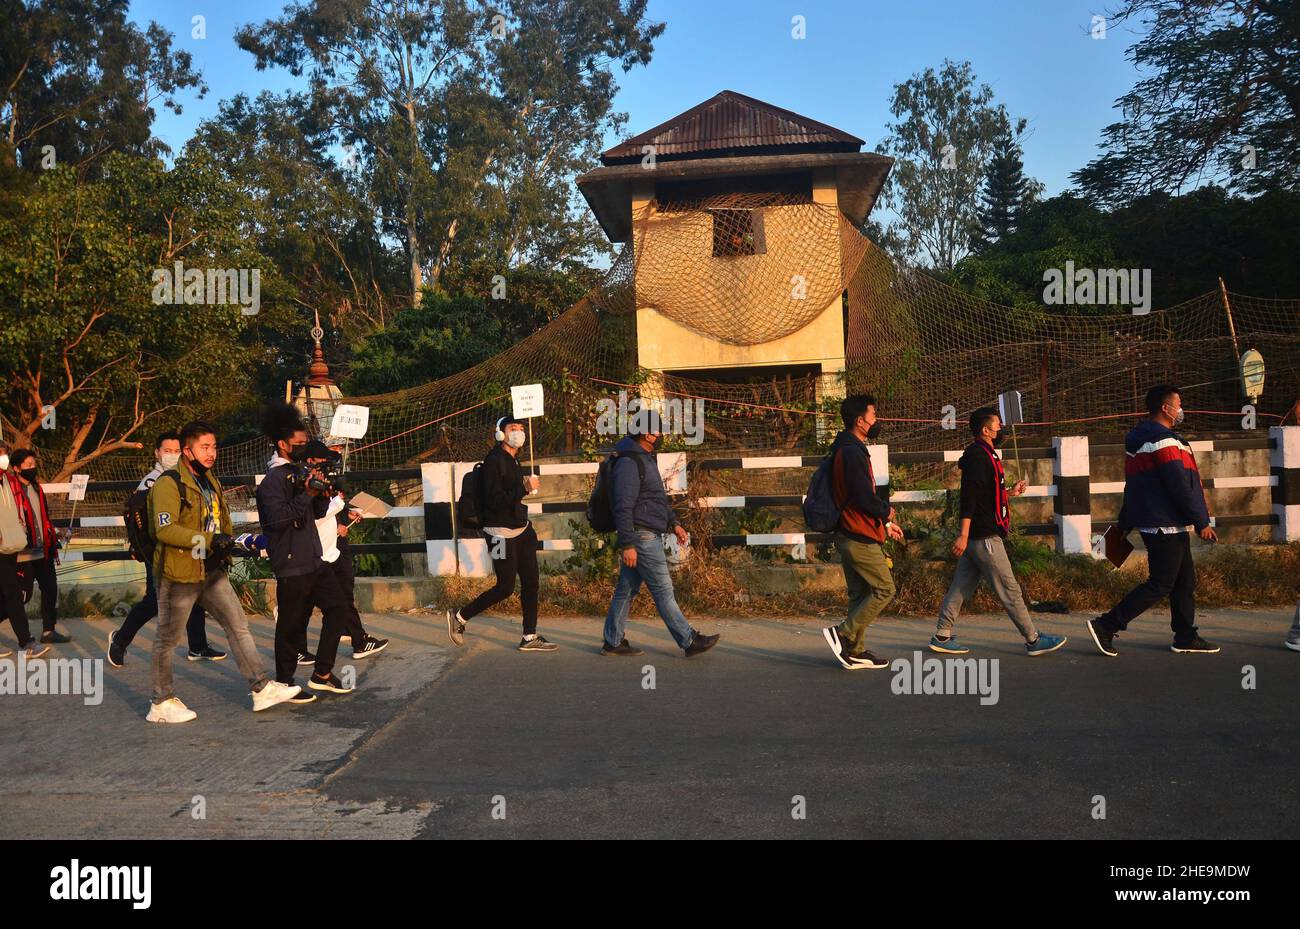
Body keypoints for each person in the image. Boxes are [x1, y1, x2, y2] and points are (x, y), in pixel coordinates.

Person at [146, 421, 301, 722]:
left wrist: (231, 544)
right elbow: (165, 529)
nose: (212, 453)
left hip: (211, 568)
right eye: (205, 447)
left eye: (214, 446)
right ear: (187, 450)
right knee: (168, 638)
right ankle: (160, 702)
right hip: (179, 573)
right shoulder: (168, 483)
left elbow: (218, 521)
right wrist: (209, 540)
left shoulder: (209, 480)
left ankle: (261, 688)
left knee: (238, 625)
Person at [1087, 384, 1220, 657]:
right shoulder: (1164, 441)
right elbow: (1181, 485)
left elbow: (1135, 486)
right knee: (1161, 583)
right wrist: (1201, 521)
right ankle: (1106, 625)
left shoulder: (1142, 440)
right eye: (1178, 403)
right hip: (1165, 523)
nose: (1181, 409)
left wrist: (1125, 522)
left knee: (1184, 581)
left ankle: (1185, 635)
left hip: (1163, 522)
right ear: (1165, 407)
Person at [930, 408, 1067, 656]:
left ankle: (942, 635)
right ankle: (1033, 640)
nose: (1000, 429)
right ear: (985, 430)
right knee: (1010, 589)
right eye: (997, 425)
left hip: (977, 536)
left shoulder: (984, 455)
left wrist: (1011, 493)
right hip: (983, 537)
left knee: (960, 587)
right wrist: (963, 533)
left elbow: (986, 495)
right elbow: (970, 498)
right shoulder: (980, 458)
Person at [600, 412, 719, 657]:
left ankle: (612, 641)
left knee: (626, 589)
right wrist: (628, 544)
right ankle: (689, 640)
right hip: (641, 537)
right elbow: (623, 506)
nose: (662, 435)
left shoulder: (644, 458)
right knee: (664, 591)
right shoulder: (629, 463)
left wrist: (673, 524)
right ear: (647, 434)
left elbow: (656, 499)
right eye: (659, 431)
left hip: (646, 533)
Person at [256, 403, 356, 696]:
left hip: (315, 558)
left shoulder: (301, 472)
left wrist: (323, 493)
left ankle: (322, 672)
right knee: (290, 625)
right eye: (297, 445)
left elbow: (316, 511)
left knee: (339, 610)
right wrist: (307, 494)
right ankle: (285, 683)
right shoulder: (273, 480)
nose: (302, 449)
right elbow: (277, 519)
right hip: (290, 560)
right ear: (282, 445)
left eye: (304, 444)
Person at [108, 432, 224, 667]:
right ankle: (119, 641)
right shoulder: (152, 482)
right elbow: (141, 523)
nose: (172, 456)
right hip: (159, 552)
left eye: (176, 451)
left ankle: (198, 646)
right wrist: (143, 551)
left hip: (185, 546)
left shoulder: (186, 478)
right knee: (154, 600)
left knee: (196, 592)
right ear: (157, 454)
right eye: (167, 451)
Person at [446, 417, 556, 652]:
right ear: (500, 434)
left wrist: (523, 489)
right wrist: (523, 488)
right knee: (505, 587)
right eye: (512, 429)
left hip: (522, 530)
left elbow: (512, 498)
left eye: (521, 428)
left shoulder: (515, 460)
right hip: (499, 534)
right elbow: (495, 502)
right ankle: (460, 617)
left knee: (531, 582)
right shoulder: (494, 461)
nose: (518, 432)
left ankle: (529, 636)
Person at [821, 394, 903, 670]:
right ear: (860, 421)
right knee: (884, 589)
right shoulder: (853, 452)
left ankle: (856, 650)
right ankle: (842, 633)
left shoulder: (844, 447)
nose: (876, 419)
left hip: (849, 532)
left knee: (859, 594)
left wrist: (886, 524)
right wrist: (886, 513)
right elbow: (862, 497)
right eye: (873, 415)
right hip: (859, 535)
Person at [295, 440, 388, 660]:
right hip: (317, 552)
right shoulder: (306, 483)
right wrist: (337, 513)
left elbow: (327, 510)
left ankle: (354, 641)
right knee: (317, 604)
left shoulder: (323, 480)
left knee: (338, 600)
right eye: (324, 460)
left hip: (330, 549)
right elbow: (311, 516)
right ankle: (311, 659)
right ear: (310, 461)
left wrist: (344, 514)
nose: (328, 464)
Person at [6, 449, 73, 643]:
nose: (32, 468)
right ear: (17, 468)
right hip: (21, 553)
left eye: (33, 464)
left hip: (42, 550)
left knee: (50, 588)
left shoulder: (37, 488)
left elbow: (42, 517)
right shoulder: (9, 491)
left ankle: (48, 631)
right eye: (28, 465)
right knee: (21, 596)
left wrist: (55, 533)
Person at [0, 441, 48, 659]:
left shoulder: (8, 480)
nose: (4, 458)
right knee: (12, 592)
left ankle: (26, 641)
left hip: (9, 545)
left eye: (5, 454)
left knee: (13, 593)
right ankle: (27, 641)